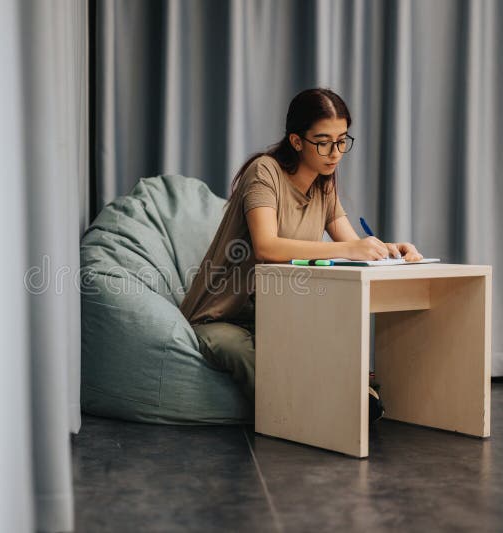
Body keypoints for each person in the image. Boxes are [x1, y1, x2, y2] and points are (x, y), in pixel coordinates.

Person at [178, 88, 423, 420]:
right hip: (221, 315)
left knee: (325, 335)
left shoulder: (324, 183)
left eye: (341, 141)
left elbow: (352, 243)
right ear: (296, 141)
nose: (335, 153)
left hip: (277, 310)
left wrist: (388, 250)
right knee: (243, 352)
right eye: (323, 142)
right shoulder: (265, 172)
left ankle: (346, 398)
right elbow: (267, 246)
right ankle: (313, 413)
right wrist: (351, 248)